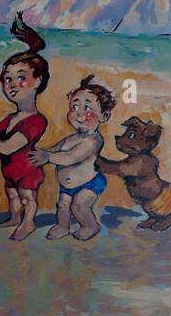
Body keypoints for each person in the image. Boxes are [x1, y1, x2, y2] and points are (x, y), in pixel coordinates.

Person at [0, 14, 50, 241]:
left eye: (20, 78)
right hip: (11, 170)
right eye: (7, 79)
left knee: (27, 198)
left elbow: (8, 147)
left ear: (38, 81)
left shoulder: (36, 120)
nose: (12, 85)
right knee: (12, 195)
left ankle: (28, 223)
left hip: (27, 170)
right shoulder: (12, 117)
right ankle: (15, 218)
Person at [28, 74, 114, 241]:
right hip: (67, 185)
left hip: (90, 183)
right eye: (74, 107)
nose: (79, 113)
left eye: (87, 108)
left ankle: (90, 226)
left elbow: (70, 157)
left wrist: (47, 156)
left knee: (79, 206)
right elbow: (56, 149)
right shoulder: (72, 138)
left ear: (104, 116)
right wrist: (39, 152)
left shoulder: (93, 140)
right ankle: (62, 226)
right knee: (63, 205)